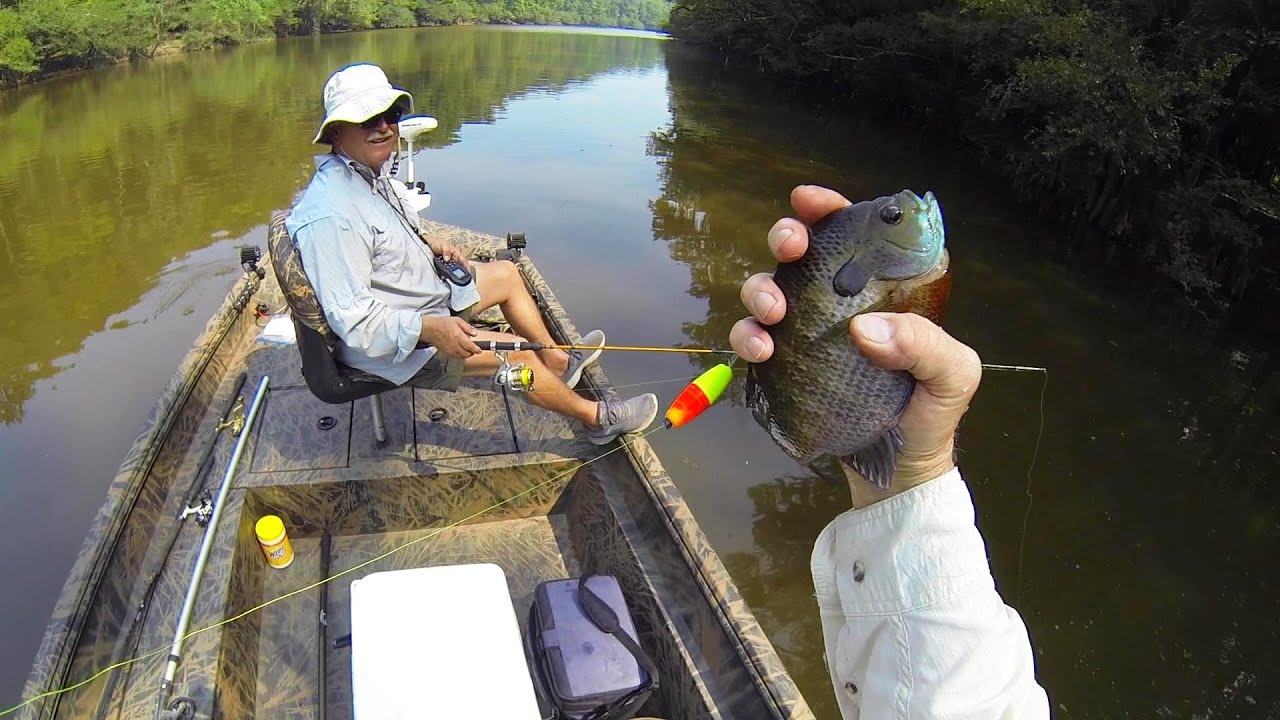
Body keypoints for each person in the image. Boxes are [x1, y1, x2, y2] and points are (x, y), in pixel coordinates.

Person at [729, 185, 1051, 718]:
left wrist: (909, 469)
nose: (913, 209)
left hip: (862, 418)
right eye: (895, 216)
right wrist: (908, 477)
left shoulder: (889, 274)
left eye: (893, 215)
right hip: (867, 429)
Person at [285, 63, 657, 444]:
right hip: (395, 346)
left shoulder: (366, 172)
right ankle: (597, 419)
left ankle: (559, 362)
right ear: (337, 131)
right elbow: (356, 323)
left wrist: (428, 242)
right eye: (368, 119)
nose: (384, 127)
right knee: (518, 354)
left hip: (424, 297)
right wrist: (430, 329)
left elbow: (380, 235)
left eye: (390, 115)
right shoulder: (332, 214)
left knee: (507, 275)